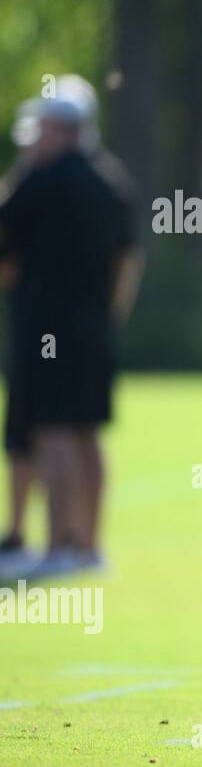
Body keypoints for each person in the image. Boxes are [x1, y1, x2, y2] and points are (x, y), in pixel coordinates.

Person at [0, 75, 143, 578]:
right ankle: (89, 545)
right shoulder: (111, 181)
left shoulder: (38, 181)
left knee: (54, 432)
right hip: (94, 326)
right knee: (87, 434)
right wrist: (107, 317)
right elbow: (128, 262)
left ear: (62, 128)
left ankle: (60, 543)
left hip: (46, 328)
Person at [0, 99, 41, 563]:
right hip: (34, 330)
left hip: (40, 331)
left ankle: (52, 535)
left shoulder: (30, 191)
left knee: (43, 432)